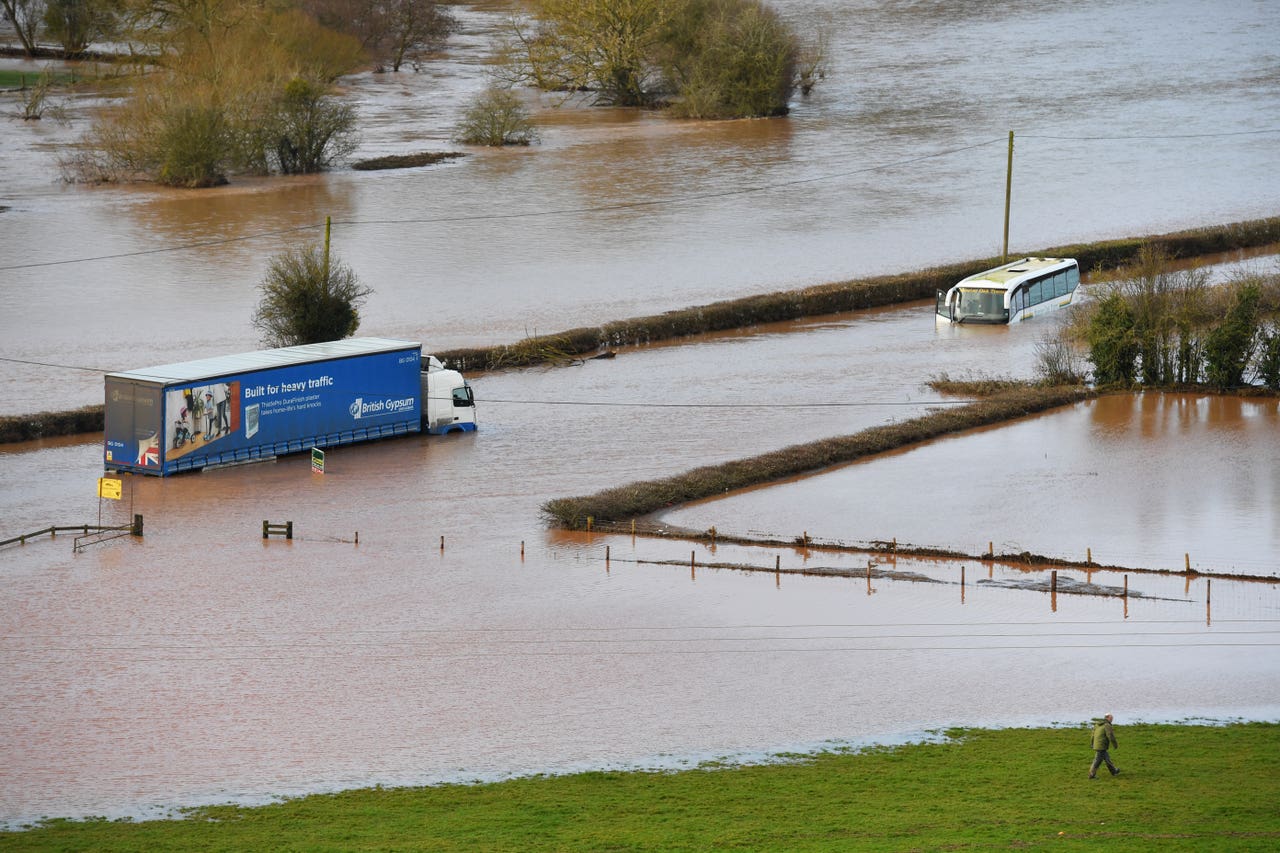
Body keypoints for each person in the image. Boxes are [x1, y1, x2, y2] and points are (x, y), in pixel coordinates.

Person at [1089, 714, 1119, 778]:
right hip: (1101, 745)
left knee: (1107, 758)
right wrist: (1115, 745)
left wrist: (1092, 743)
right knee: (1097, 761)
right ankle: (1091, 775)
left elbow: (1092, 735)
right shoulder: (1107, 725)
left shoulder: (1097, 724)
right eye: (1111, 718)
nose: (1112, 720)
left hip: (1097, 744)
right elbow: (1110, 735)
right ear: (1107, 718)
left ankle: (1114, 771)